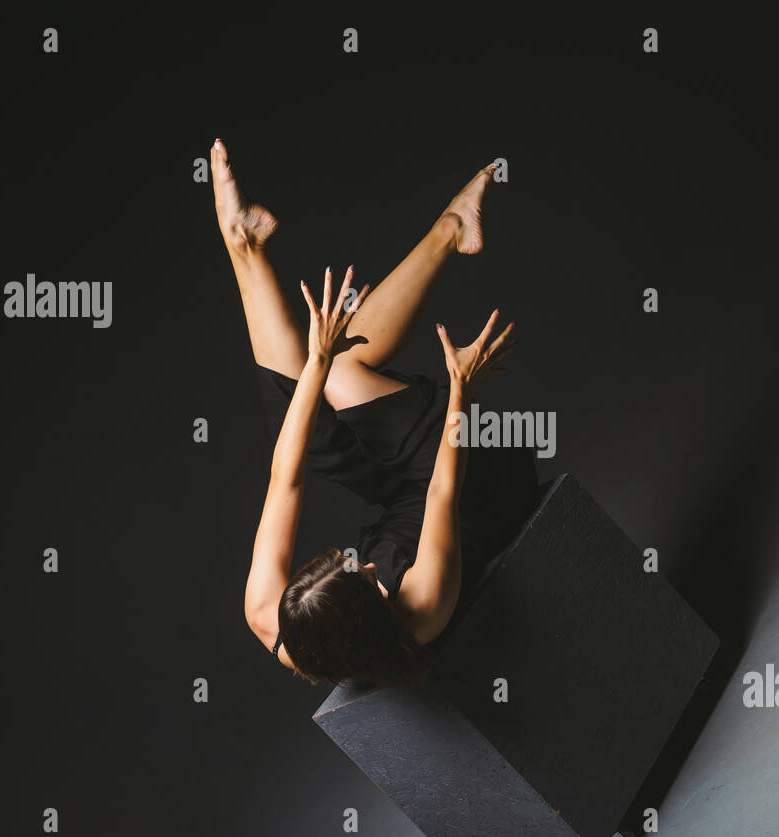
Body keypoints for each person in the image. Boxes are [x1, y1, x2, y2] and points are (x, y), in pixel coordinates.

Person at [210, 139, 537, 687]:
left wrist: (314, 364)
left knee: (319, 403)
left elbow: (283, 480)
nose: (360, 560)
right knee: (345, 373)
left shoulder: (275, 621)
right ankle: (449, 229)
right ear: (373, 615)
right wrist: (461, 387)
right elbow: (442, 493)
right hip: (476, 487)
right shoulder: (423, 607)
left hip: (401, 498)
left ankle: (242, 246)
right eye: (360, 573)